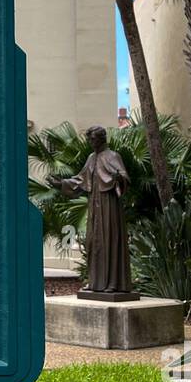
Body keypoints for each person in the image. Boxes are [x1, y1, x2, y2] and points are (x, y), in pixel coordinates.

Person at [48, 126, 135, 297]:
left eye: (93, 139)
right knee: (94, 243)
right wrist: (61, 183)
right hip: (95, 205)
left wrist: (119, 178)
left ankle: (113, 283)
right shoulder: (91, 158)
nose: (90, 142)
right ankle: (96, 282)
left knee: (109, 241)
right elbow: (80, 180)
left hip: (109, 205)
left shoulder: (113, 156)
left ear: (101, 139)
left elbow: (125, 178)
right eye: (90, 139)